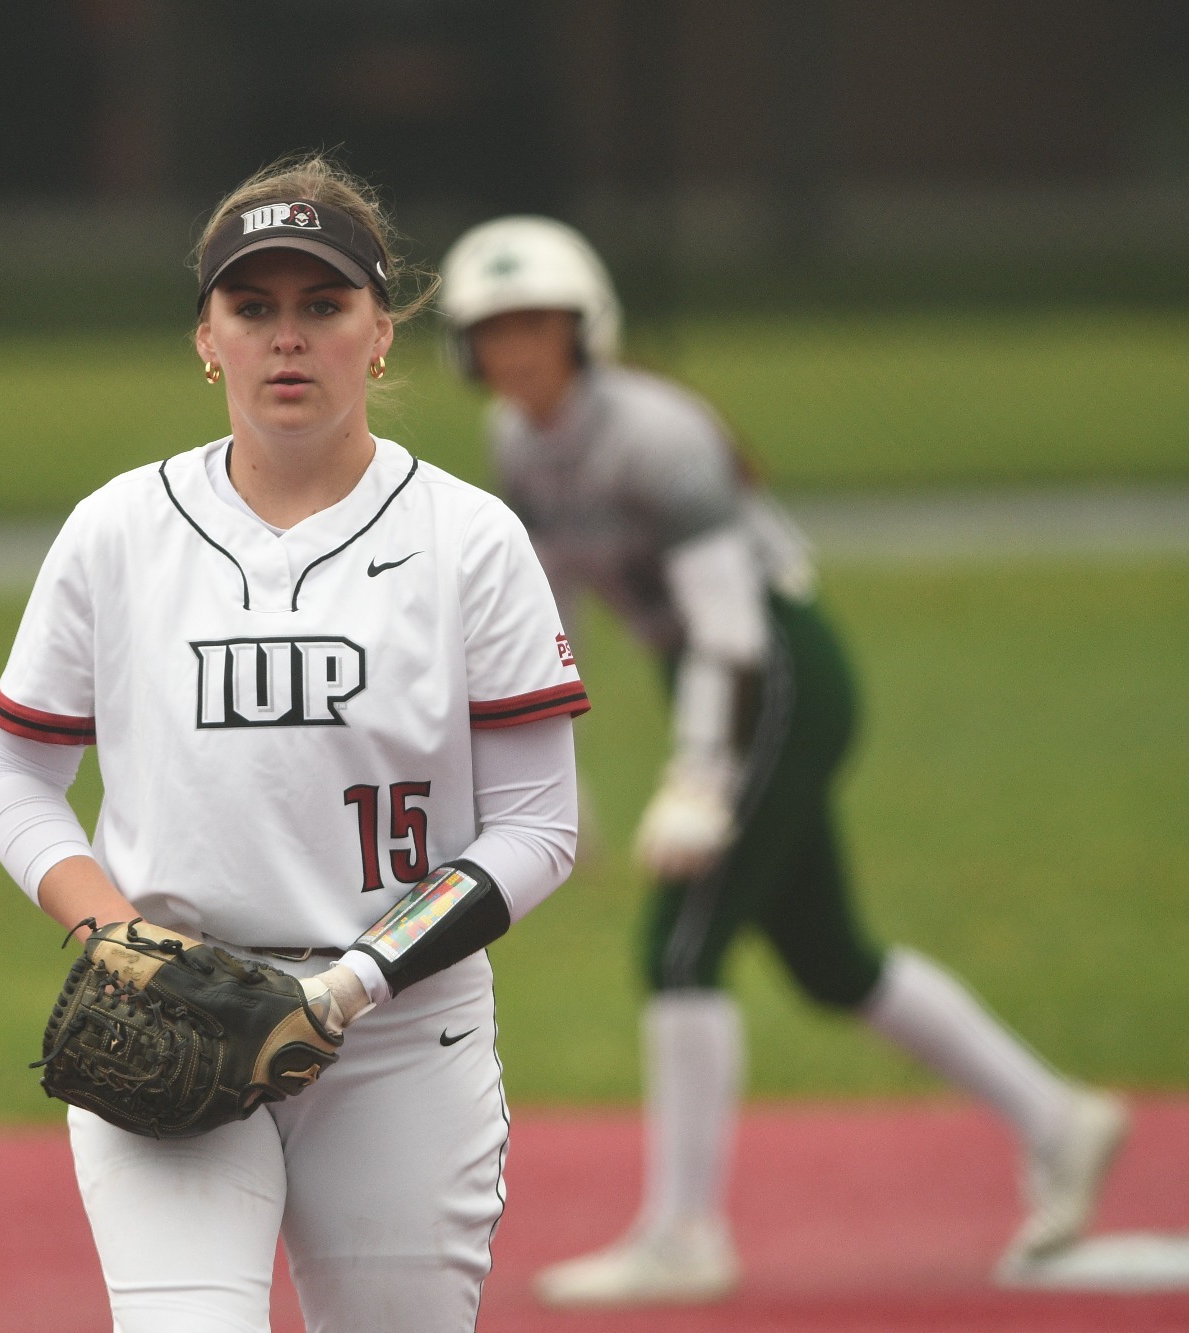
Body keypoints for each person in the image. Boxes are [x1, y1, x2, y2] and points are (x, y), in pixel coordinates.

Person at [437, 215, 1128, 1307]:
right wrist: (544, 762)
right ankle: (1058, 1117)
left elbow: (731, 627)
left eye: (535, 325)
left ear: (583, 327)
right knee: (828, 959)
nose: (515, 349)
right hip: (719, 673)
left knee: (681, 944)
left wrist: (700, 774)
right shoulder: (517, 439)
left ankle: (683, 1234)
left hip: (774, 668)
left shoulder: (657, 433)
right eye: (494, 330)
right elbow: (546, 605)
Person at [0, 156, 588, 1332]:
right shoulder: (118, 532)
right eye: (252, 307)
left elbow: (536, 824)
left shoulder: (469, 540)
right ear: (206, 339)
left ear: (380, 333)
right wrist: (114, 934)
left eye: (324, 303)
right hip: (172, 1020)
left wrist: (348, 984)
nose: (287, 337)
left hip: (399, 1038)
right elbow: (14, 770)